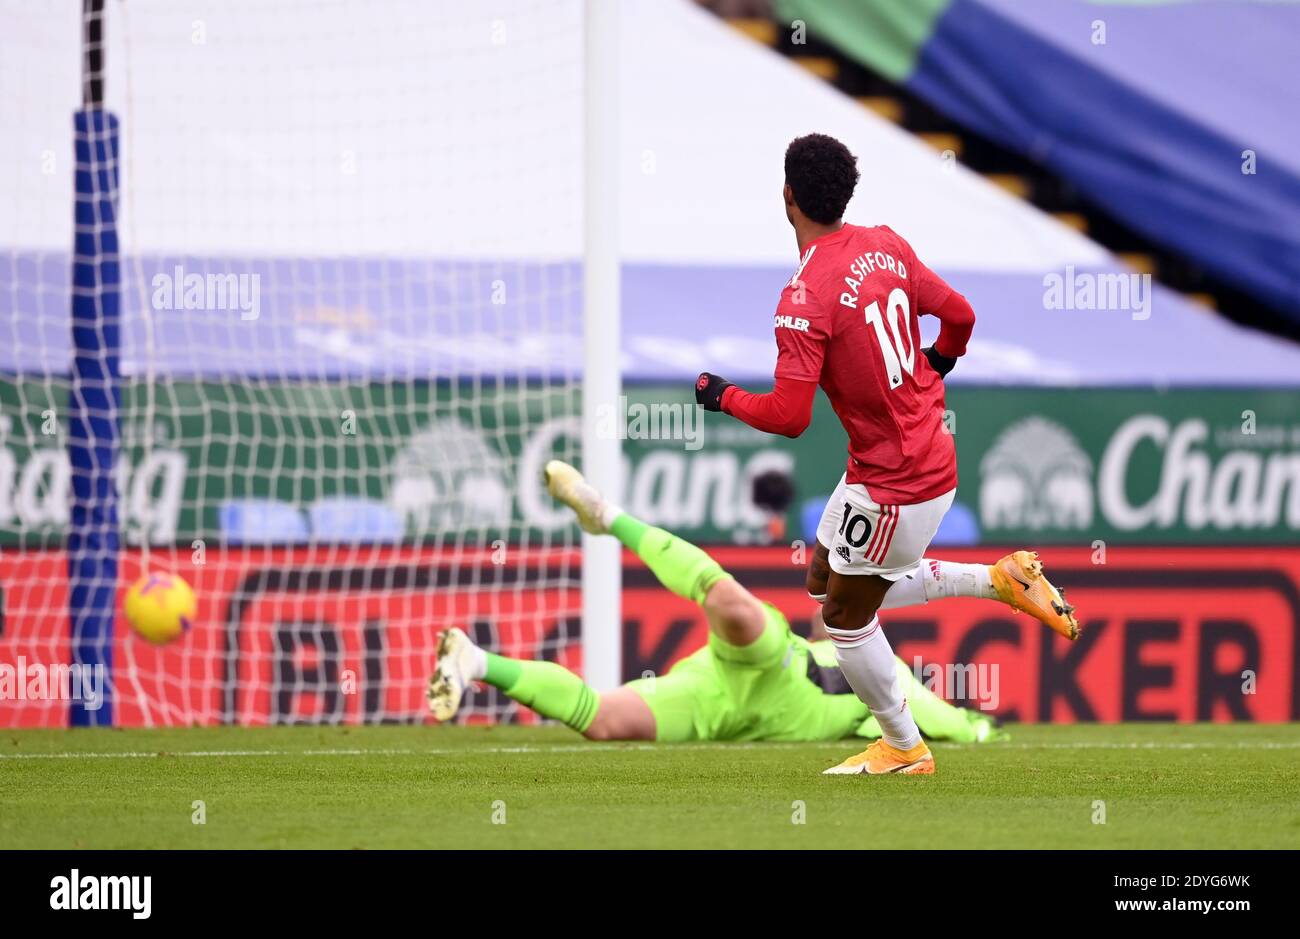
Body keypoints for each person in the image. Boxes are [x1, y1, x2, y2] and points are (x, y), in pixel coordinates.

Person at [695, 133, 1078, 774]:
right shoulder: (886, 246)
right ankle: (998, 580)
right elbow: (960, 314)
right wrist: (936, 364)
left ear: (787, 197)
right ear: (844, 195)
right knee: (823, 580)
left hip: (898, 483)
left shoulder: (803, 298)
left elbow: (789, 418)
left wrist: (722, 395)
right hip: (914, 458)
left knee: (844, 618)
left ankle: (904, 747)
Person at [428, 462, 1083, 766]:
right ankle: (607, 517)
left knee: (603, 721)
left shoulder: (884, 679)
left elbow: (932, 715)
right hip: (773, 666)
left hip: (723, 708)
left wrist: (971, 730)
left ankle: (475, 659)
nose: (840, 614)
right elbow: (941, 716)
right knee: (733, 606)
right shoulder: (840, 658)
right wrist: (977, 731)